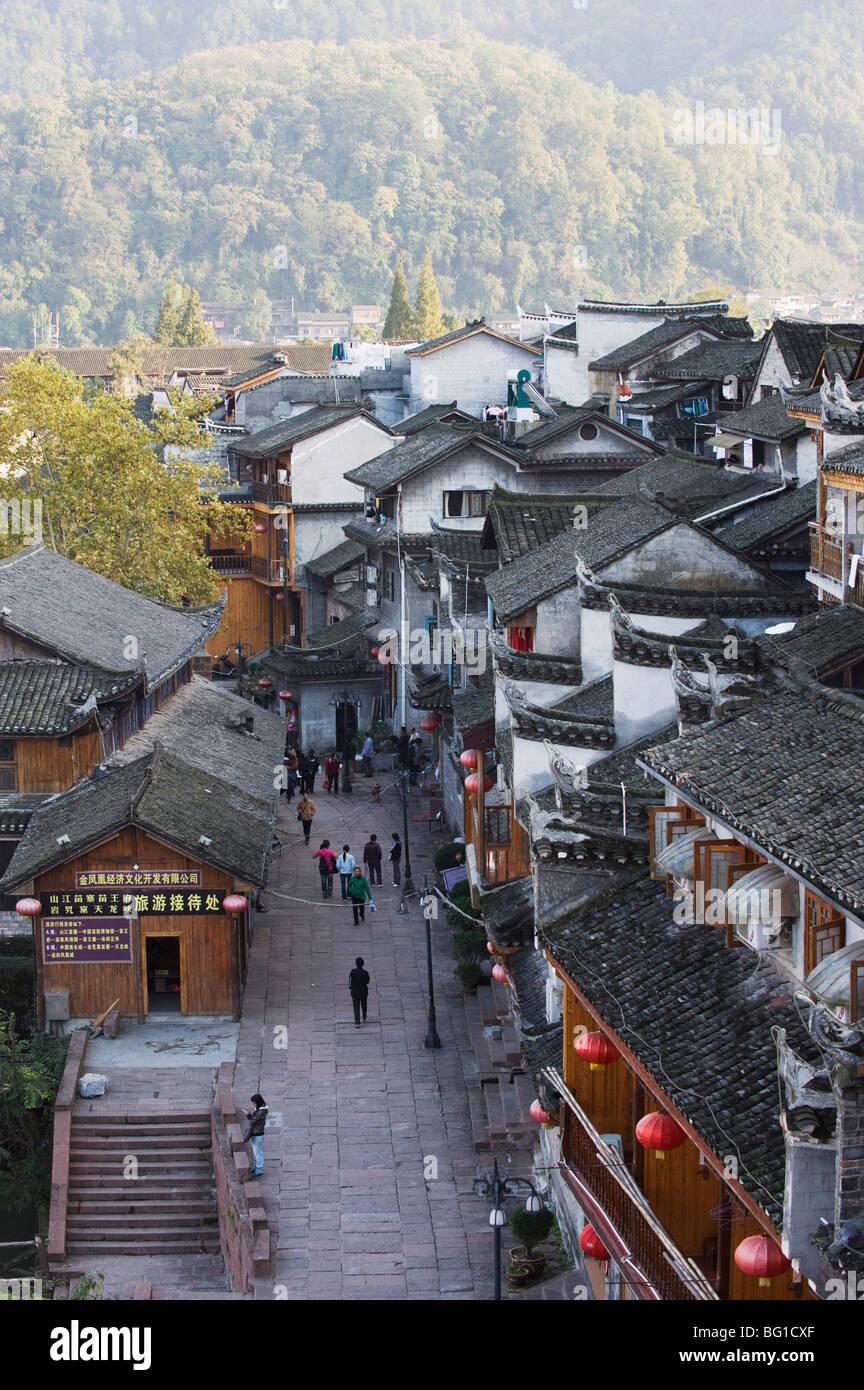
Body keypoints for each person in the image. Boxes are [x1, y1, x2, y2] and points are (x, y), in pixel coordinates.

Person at [242, 1093, 268, 1178]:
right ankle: (257, 1167)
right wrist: (249, 1115)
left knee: (258, 1153)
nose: (253, 1104)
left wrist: (249, 1115)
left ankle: (259, 1169)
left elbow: (253, 1122)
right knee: (256, 1152)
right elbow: (253, 1120)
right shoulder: (259, 1110)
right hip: (255, 1134)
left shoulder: (261, 1112)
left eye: (254, 1103)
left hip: (258, 1134)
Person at [349, 956, 371, 1026]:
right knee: (364, 1005)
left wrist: (351, 987)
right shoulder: (365, 972)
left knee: (356, 1007)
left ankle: (357, 1022)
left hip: (355, 992)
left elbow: (350, 981)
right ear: (363, 964)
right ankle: (364, 1016)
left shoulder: (353, 971)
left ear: (356, 964)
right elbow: (367, 981)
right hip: (363, 992)